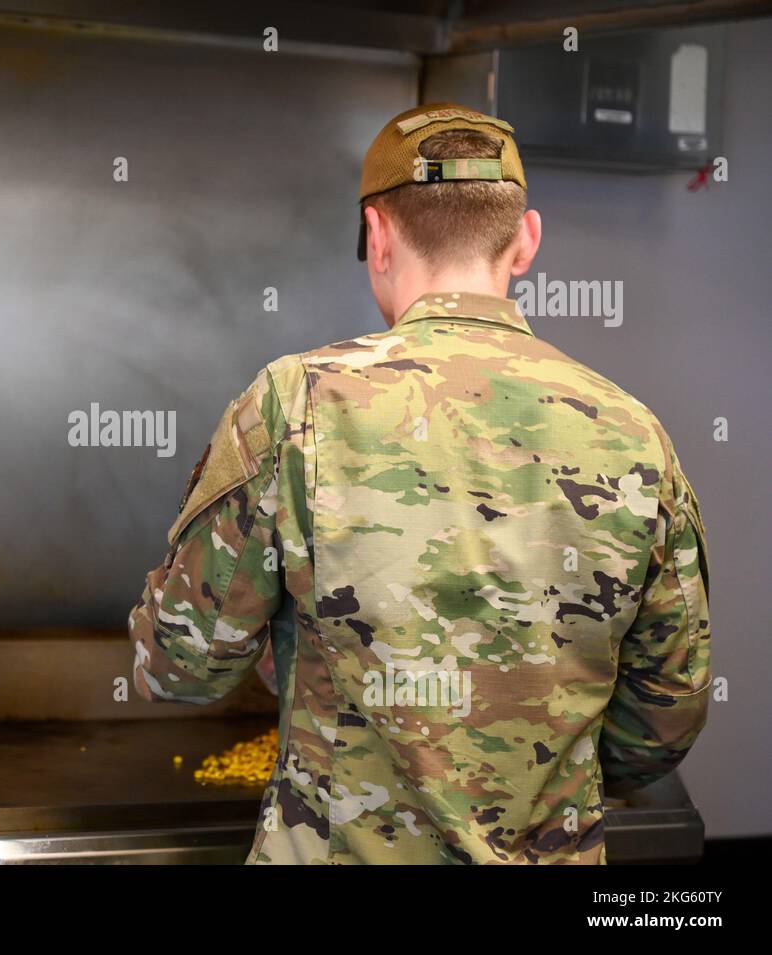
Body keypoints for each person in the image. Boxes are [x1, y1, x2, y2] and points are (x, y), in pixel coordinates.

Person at [126, 103, 712, 864]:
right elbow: (666, 715)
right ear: (526, 240)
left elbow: (181, 662)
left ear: (376, 235)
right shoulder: (634, 432)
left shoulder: (295, 402)